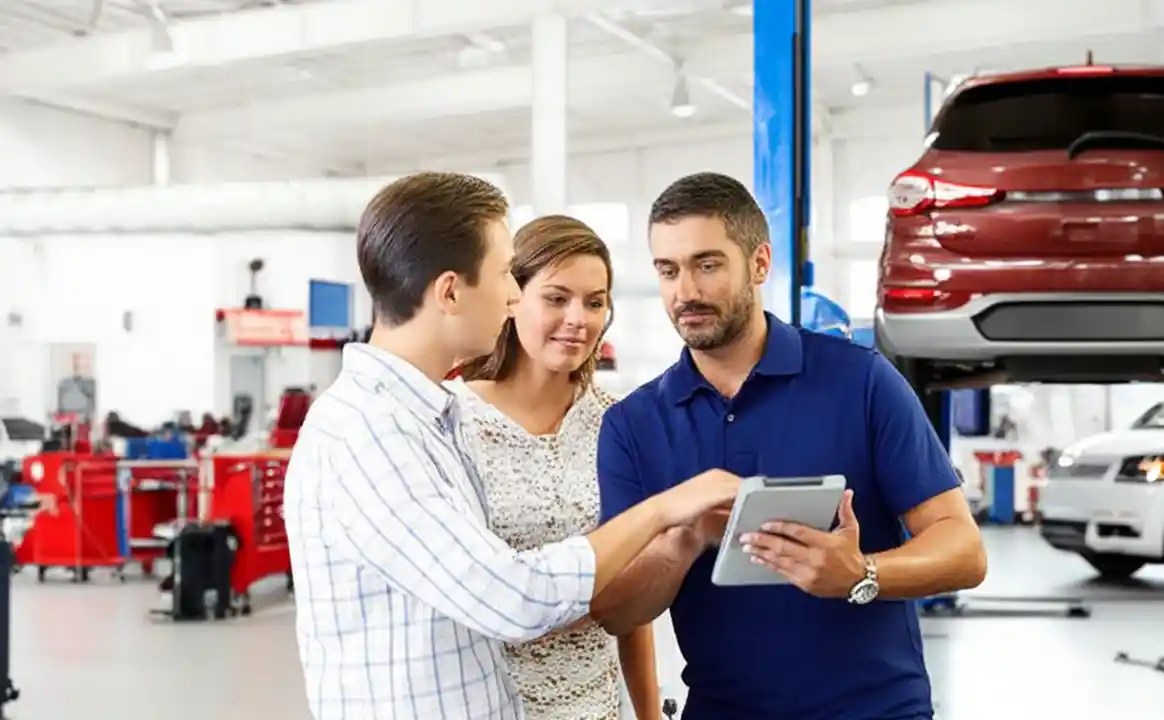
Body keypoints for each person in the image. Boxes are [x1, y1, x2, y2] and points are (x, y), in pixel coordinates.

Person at [281, 172, 741, 719]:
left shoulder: (428, 418)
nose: (511, 294)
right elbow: (511, 596)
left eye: (595, 302)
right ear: (450, 291)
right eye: (505, 274)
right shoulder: (368, 432)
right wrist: (664, 511)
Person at [590, 172, 988, 719]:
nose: (686, 292)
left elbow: (964, 551)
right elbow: (617, 610)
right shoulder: (632, 426)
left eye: (707, 265)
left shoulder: (862, 382)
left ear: (759, 264)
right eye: (668, 270)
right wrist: (683, 539)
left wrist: (862, 574)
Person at [447, 215, 661, 720]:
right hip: (490, 703)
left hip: (594, 706)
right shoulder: (452, 420)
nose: (578, 319)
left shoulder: (616, 423)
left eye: (595, 301)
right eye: (557, 298)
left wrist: (649, 715)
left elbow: (631, 600)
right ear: (512, 296)